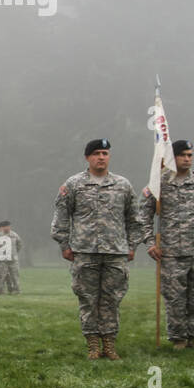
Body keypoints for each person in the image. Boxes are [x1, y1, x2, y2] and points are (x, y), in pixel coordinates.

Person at [52, 139, 141, 360]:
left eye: (105, 153)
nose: (101, 157)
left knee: (112, 299)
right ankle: (92, 344)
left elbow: (134, 219)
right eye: (96, 153)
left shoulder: (123, 185)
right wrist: (65, 244)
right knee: (88, 298)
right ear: (87, 157)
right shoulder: (73, 184)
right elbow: (62, 216)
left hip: (115, 252)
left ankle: (109, 344)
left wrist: (132, 246)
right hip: (85, 252)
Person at [142, 140, 194, 349]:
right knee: (174, 298)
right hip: (169, 252)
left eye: (190, 155)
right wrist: (150, 243)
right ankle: (178, 339)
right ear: (172, 158)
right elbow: (143, 216)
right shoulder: (159, 184)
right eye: (182, 155)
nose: (187, 159)